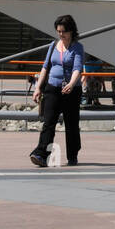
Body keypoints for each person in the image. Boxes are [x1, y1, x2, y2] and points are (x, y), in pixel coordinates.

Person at [30, 16, 84, 167]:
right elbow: (45, 67)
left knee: (71, 124)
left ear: (71, 31)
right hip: (52, 88)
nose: (61, 34)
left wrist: (72, 84)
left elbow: (77, 68)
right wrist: (38, 87)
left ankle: (72, 155)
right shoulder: (53, 45)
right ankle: (41, 154)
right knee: (49, 123)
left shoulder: (77, 47)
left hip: (71, 91)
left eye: (64, 31)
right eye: (58, 31)